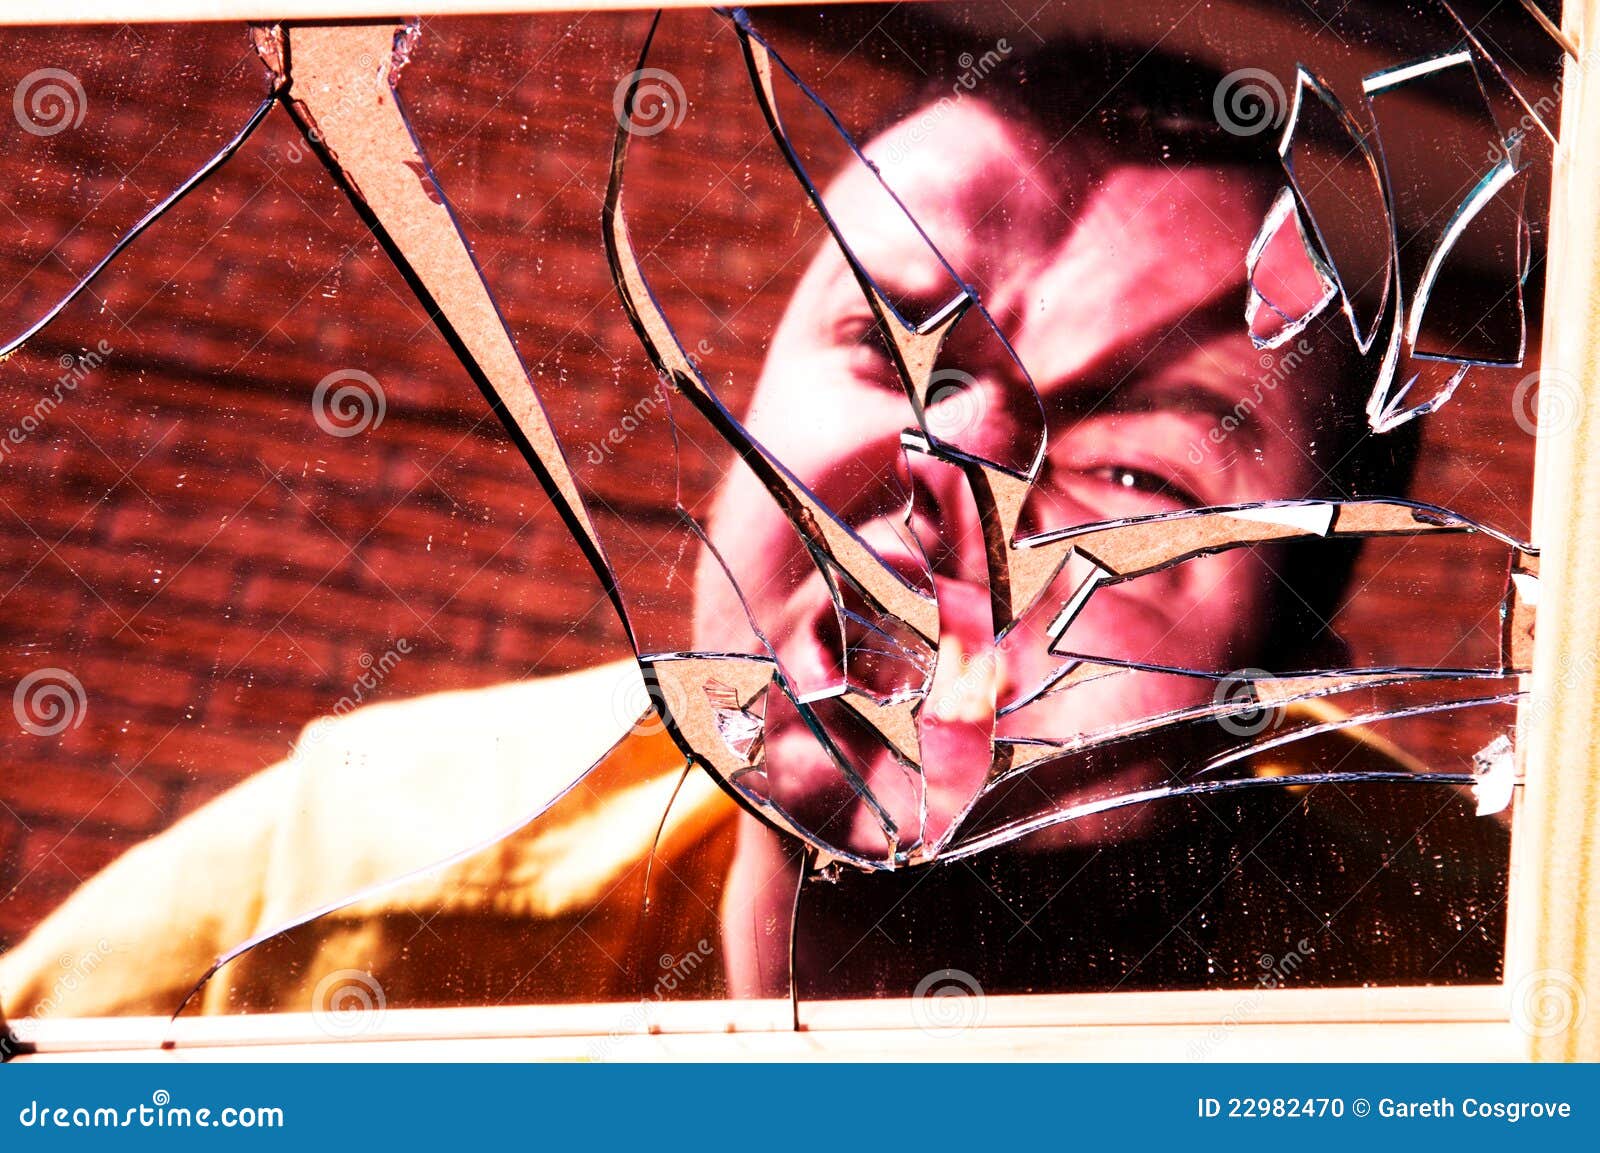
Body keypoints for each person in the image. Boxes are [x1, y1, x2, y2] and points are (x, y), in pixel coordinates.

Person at [0, 39, 1507, 1025]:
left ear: (1275, 680)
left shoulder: (1497, 985)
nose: (952, 461)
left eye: (1140, 476)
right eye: (891, 332)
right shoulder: (307, 929)